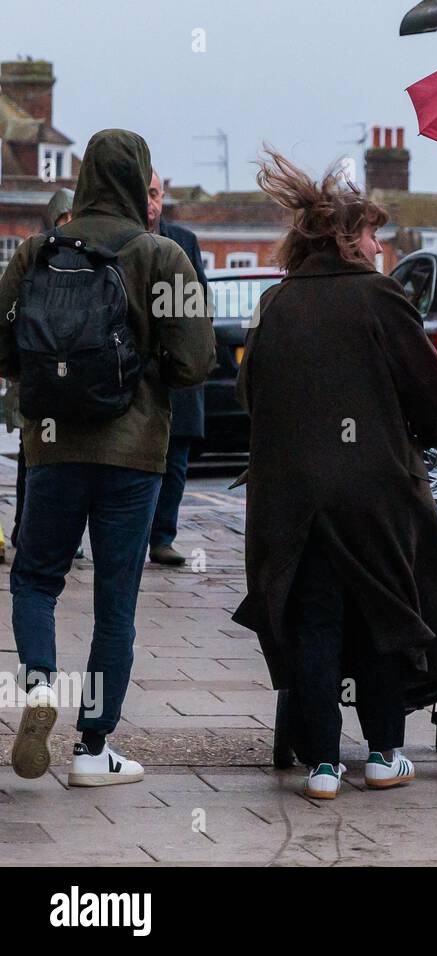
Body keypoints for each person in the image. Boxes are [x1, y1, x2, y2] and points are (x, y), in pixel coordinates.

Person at [232, 150, 437, 800]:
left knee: (316, 618)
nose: (380, 245)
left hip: (293, 498)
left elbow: (253, 395)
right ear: (347, 238)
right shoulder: (379, 298)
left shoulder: (276, 304)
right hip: (373, 494)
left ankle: (323, 764)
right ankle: (386, 753)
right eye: (372, 233)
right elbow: (432, 399)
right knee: (382, 611)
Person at [0, 130, 215, 786]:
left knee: (36, 578)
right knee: (115, 602)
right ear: (138, 180)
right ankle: (93, 750)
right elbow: (194, 363)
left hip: (53, 448)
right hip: (134, 454)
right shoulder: (161, 257)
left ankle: (39, 687)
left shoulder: (36, 252)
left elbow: (5, 351)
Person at [3, 188, 74, 561]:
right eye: (62, 219)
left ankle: (49, 534)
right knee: (31, 456)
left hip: (55, 378)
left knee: (53, 459)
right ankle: (23, 528)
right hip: (32, 377)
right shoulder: (35, 255)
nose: (67, 225)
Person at [145, 170, 209, 566]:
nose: (149, 202)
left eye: (154, 193)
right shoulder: (119, 242)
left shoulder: (184, 242)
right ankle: (136, 537)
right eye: (142, 194)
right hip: (136, 373)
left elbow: (199, 304)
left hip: (177, 371)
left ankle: (162, 538)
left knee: (175, 462)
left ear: (163, 195)